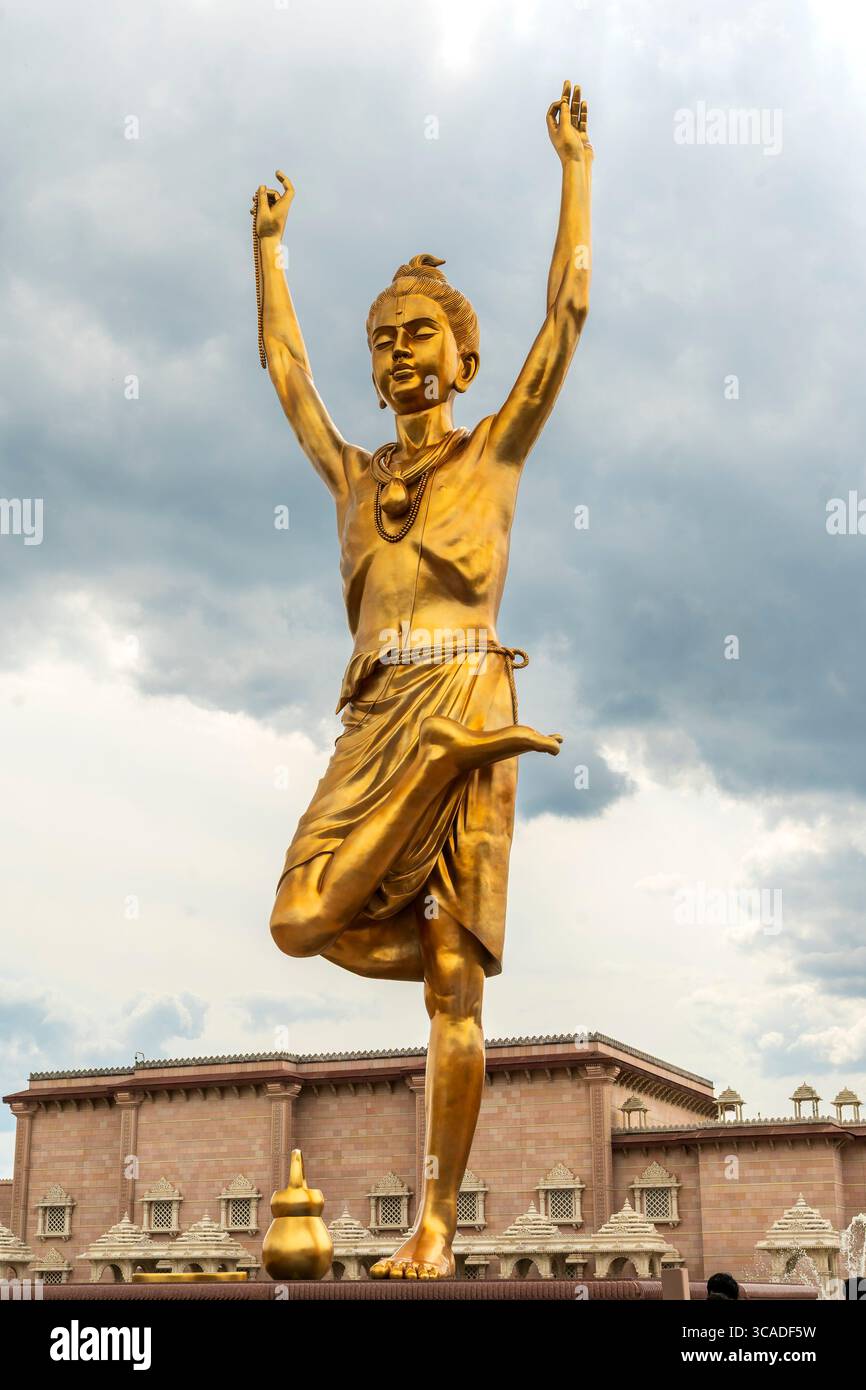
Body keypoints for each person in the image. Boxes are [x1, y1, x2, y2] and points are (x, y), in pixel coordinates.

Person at [253, 80, 593, 1279]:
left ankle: (437, 1227)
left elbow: (568, 311)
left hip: (466, 692)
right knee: (303, 918)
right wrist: (269, 250)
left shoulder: (493, 449)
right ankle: (426, 823)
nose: (399, 353)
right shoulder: (352, 476)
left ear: (460, 351)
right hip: (382, 720)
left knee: (454, 980)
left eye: (418, 334)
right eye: (383, 340)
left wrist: (571, 165)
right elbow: (285, 371)